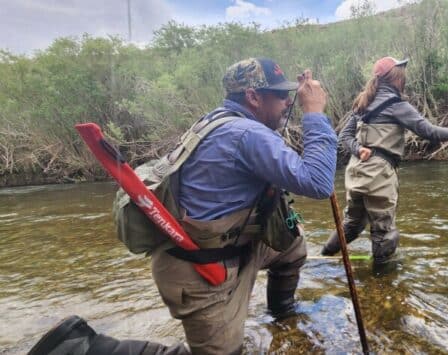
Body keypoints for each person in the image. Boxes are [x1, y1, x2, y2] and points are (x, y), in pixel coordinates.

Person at [29, 58, 337, 355]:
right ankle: (81, 346)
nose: (287, 102)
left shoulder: (220, 120)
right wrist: (313, 113)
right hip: (200, 269)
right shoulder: (246, 133)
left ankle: (282, 315)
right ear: (253, 97)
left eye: (289, 95)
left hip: (237, 246)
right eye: (280, 95)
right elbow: (319, 183)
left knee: (291, 243)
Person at [320, 56, 448, 264]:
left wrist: (358, 148)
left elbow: (343, 137)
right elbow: (428, 131)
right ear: (397, 78)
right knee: (383, 231)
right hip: (378, 175)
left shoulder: (362, 103)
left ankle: (322, 257)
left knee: (352, 223)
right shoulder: (396, 105)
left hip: (355, 174)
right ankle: (382, 281)